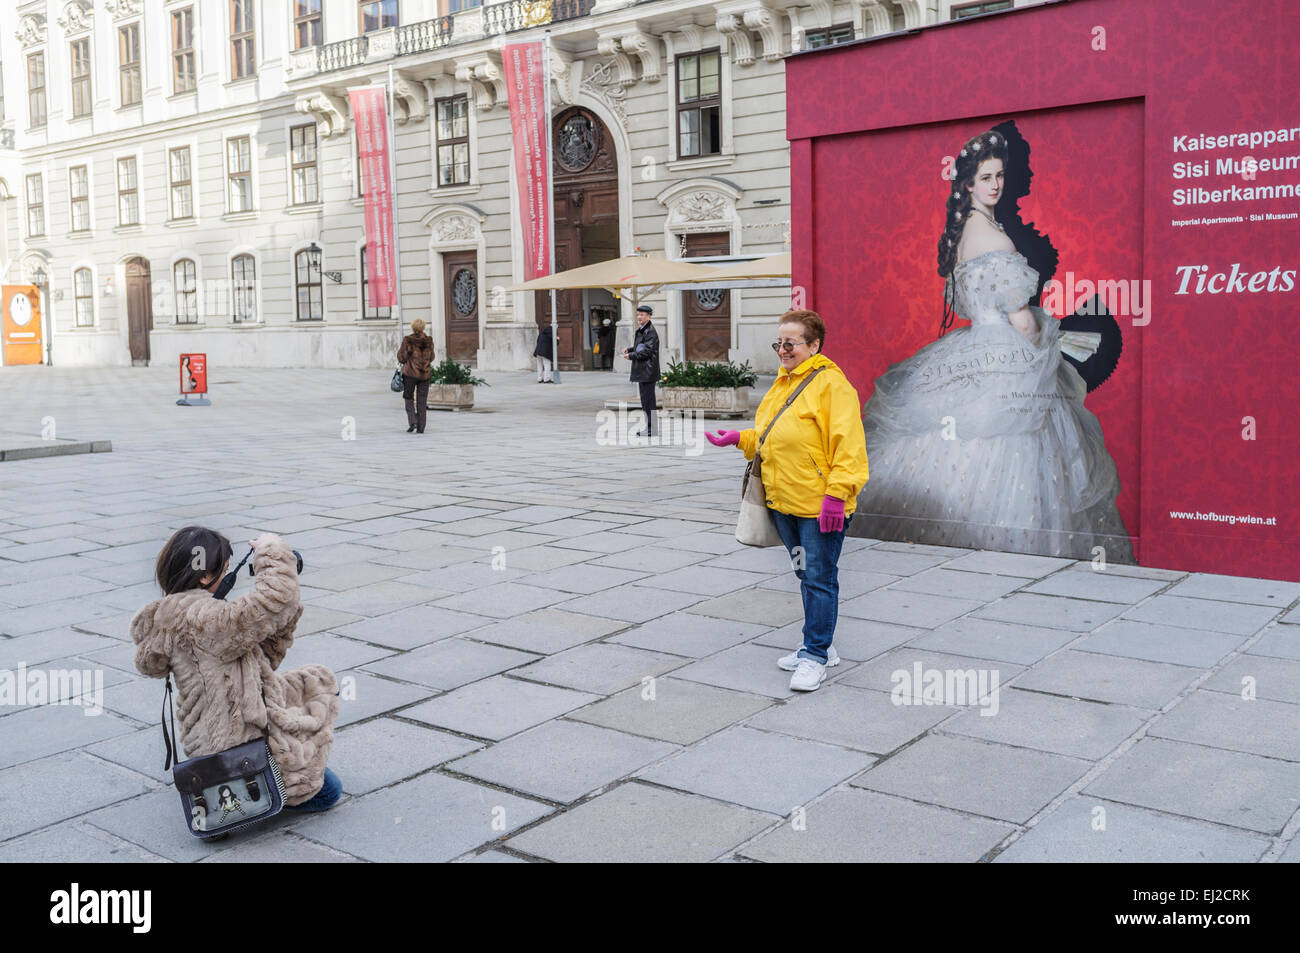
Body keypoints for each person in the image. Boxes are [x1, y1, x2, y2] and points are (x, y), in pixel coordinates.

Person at [848, 128, 1133, 562]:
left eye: (1000, 175)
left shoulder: (962, 232)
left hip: (972, 345)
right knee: (1020, 443)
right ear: (968, 183)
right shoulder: (997, 240)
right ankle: (1010, 552)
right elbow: (1021, 321)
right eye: (986, 177)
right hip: (1005, 348)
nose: (996, 184)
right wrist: (1043, 338)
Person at [131, 527, 342, 825]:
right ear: (204, 576)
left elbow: (262, 659)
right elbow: (273, 599)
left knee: (315, 679)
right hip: (239, 750)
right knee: (328, 792)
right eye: (226, 571)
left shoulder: (174, 615)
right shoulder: (205, 619)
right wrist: (272, 552)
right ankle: (258, 798)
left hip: (210, 738)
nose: (228, 578)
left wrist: (279, 620)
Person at [706, 310, 870, 692]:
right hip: (784, 502)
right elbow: (772, 434)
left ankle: (814, 655)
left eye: (791, 343)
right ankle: (820, 646)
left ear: (814, 345)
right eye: (779, 343)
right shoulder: (784, 382)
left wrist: (837, 495)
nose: (783, 349)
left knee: (819, 578)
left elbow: (850, 447)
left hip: (818, 506)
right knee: (805, 574)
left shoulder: (833, 385)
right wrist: (740, 439)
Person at [622, 304, 660, 437]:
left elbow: (647, 352)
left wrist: (630, 356)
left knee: (649, 402)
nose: (639, 317)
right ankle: (649, 428)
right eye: (638, 314)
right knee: (645, 402)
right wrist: (630, 349)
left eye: (642, 315)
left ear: (649, 316)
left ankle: (652, 429)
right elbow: (641, 346)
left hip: (647, 372)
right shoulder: (643, 330)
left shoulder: (650, 332)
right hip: (643, 371)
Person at [397, 318, 435, 433]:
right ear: (423, 327)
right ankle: (421, 427)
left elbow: (401, 357)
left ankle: (413, 421)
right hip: (425, 375)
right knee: (422, 401)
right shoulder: (429, 341)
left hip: (410, 374)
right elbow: (432, 357)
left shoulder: (408, 340)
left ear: (413, 327)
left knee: (408, 398)